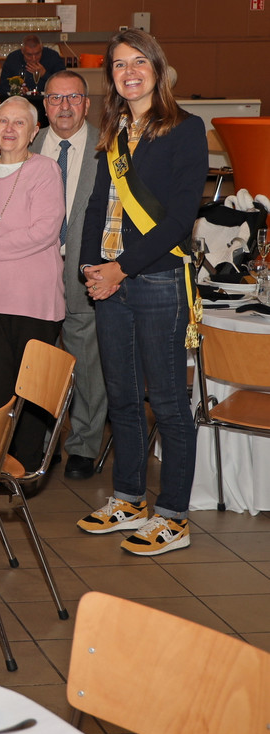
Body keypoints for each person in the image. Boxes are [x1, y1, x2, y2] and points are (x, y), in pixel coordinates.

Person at [77, 31, 206, 555]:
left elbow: (179, 219)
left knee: (170, 404)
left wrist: (120, 269)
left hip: (155, 281)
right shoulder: (113, 130)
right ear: (110, 76)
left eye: (138, 62)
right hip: (110, 281)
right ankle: (128, 498)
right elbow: (94, 205)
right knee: (124, 399)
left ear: (156, 67)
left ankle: (173, 515)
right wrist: (90, 263)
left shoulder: (185, 129)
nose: (128, 72)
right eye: (118, 65)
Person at [0, 97, 65, 469]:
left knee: (32, 394)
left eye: (18, 123)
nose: (8, 129)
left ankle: (26, 467)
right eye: (2, 121)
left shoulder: (44, 170)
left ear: (34, 131)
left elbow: (43, 232)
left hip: (33, 298)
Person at [32, 71, 106, 479]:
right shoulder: (29, 143)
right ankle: (43, 445)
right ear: (44, 105)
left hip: (85, 271)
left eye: (73, 97)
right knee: (41, 363)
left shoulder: (108, 147)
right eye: (55, 98)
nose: (64, 107)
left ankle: (83, 445)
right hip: (36, 275)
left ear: (87, 103)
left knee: (87, 362)